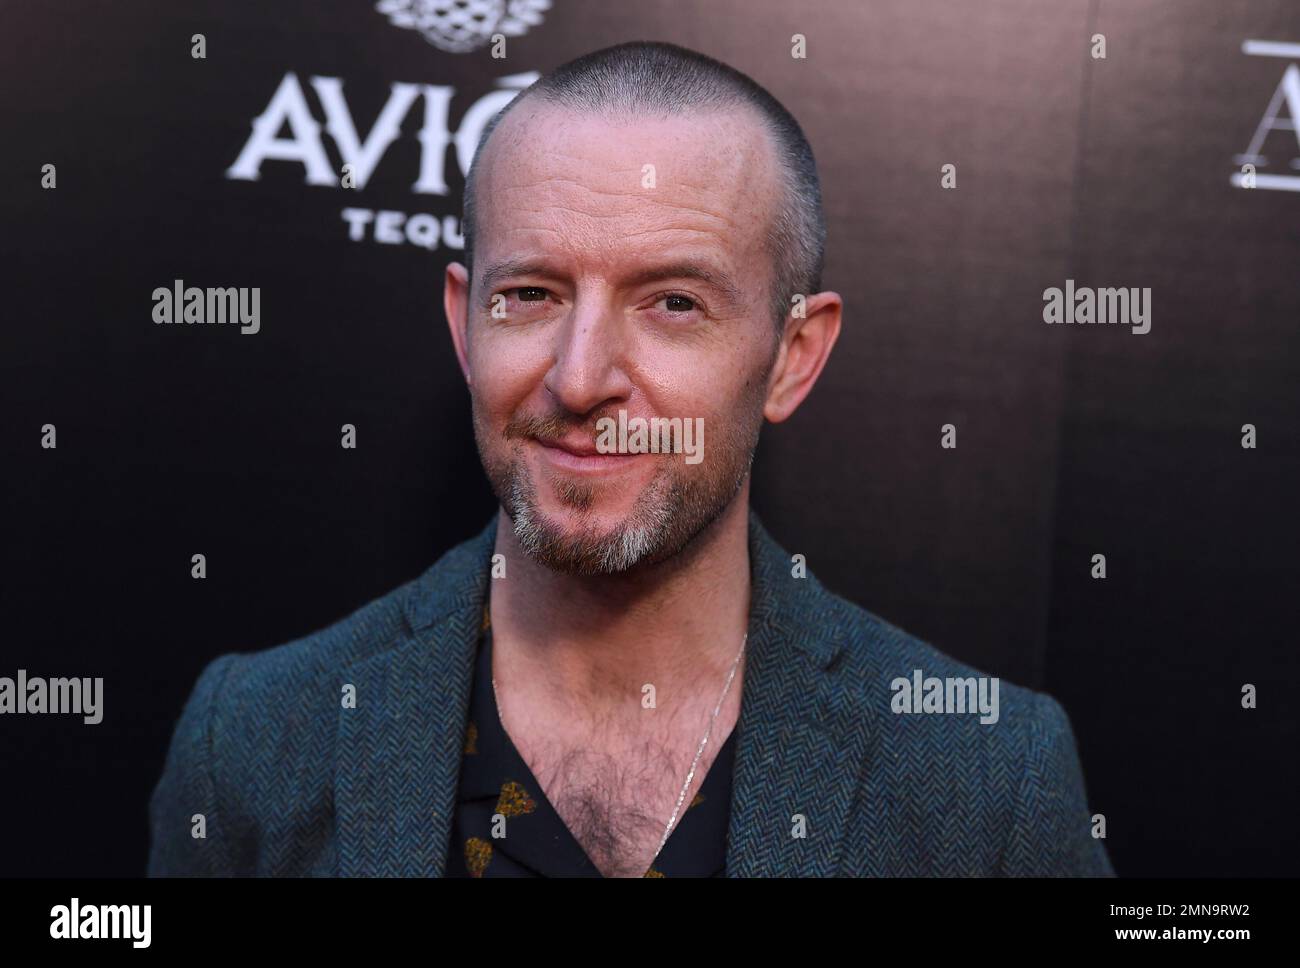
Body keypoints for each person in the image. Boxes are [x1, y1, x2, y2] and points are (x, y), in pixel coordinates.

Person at [148, 40, 1113, 878]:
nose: (579, 380)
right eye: (529, 295)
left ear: (792, 357)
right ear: (463, 323)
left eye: (673, 303)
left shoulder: (984, 776)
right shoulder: (258, 741)